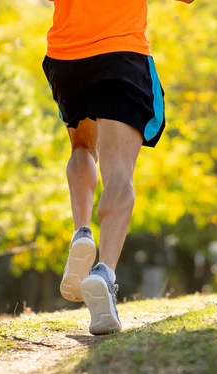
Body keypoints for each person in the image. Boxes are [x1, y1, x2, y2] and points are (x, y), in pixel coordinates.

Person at [42, 0, 194, 335]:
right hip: (121, 54)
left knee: (82, 147)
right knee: (119, 173)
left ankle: (82, 231)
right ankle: (104, 273)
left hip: (66, 58)